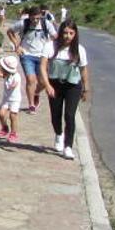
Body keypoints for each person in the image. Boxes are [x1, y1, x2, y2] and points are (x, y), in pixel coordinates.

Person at [40, 20, 92, 160]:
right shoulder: (50, 46)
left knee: (69, 115)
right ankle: (58, 134)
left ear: (75, 34)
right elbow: (43, 66)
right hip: (55, 84)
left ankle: (68, 146)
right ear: (60, 33)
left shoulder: (79, 50)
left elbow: (83, 69)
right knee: (55, 114)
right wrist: (47, 85)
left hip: (72, 85)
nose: (68, 36)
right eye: (65, 33)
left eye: (71, 33)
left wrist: (86, 88)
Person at [8, 6, 57, 114]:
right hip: (27, 55)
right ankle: (31, 105)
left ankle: (36, 93)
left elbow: (55, 36)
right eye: (33, 18)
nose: (35, 21)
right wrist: (17, 45)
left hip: (43, 56)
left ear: (41, 17)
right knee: (31, 79)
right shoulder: (23, 23)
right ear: (29, 16)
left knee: (44, 82)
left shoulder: (46, 24)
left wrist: (49, 44)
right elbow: (10, 31)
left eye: (37, 18)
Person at [0, 55, 22, 142]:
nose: (1, 70)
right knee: (1, 114)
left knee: (12, 116)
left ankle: (13, 133)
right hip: (6, 98)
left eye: (2, 69)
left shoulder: (16, 76)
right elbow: (2, 76)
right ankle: (4, 127)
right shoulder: (6, 75)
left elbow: (15, 83)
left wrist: (12, 85)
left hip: (15, 99)